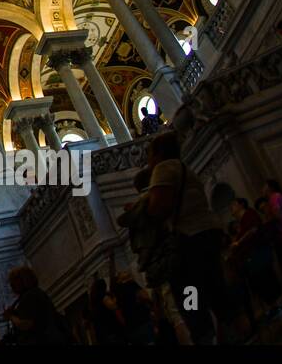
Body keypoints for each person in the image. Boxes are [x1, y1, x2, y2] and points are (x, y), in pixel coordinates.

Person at [145, 132, 229, 344]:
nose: (148, 159)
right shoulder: (184, 168)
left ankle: (203, 333)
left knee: (190, 295)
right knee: (216, 290)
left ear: (158, 154)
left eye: (150, 154)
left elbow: (157, 206)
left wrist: (143, 208)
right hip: (208, 232)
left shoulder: (163, 169)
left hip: (189, 240)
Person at [4, 267, 67, 344]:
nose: (11, 285)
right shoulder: (37, 293)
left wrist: (11, 316)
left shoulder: (30, 296)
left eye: (14, 280)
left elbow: (26, 324)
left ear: (23, 279)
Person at [88, 277, 125, 345]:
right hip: (112, 330)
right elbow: (113, 307)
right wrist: (114, 299)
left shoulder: (94, 301)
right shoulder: (103, 296)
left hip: (103, 333)